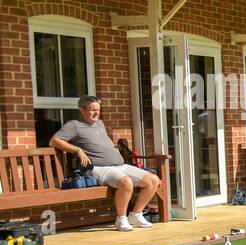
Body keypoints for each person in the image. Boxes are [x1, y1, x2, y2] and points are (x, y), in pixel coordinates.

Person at [50, 95, 164, 232]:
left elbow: (104, 141)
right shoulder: (74, 125)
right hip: (98, 168)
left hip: (119, 166)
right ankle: (121, 219)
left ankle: (136, 214)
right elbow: (54, 141)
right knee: (126, 182)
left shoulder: (100, 123)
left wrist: (112, 149)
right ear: (82, 110)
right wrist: (78, 150)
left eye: (98, 109)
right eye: (93, 110)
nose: (96, 113)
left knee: (153, 180)